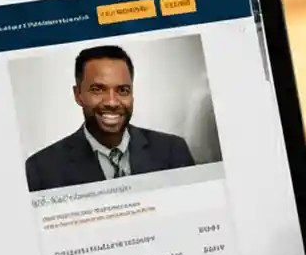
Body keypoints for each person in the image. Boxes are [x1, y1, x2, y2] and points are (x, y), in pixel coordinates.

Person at [25, 45, 196, 192]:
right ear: (78, 95)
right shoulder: (41, 170)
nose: (112, 102)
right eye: (98, 89)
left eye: (122, 90)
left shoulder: (173, 152)